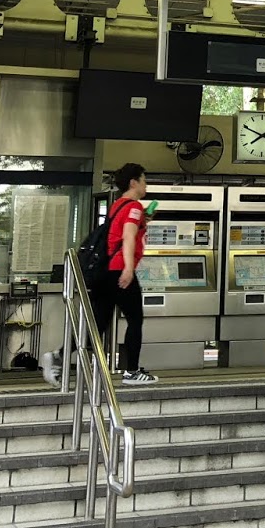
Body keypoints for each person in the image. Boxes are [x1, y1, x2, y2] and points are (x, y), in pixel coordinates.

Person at [89, 164, 157, 385]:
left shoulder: (118, 205)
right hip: (120, 269)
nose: (146, 185)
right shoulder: (134, 206)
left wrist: (143, 224)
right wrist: (128, 268)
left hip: (108, 270)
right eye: (144, 180)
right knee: (135, 319)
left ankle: (59, 356)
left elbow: (120, 234)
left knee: (100, 321)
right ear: (133, 183)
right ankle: (132, 371)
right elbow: (127, 237)